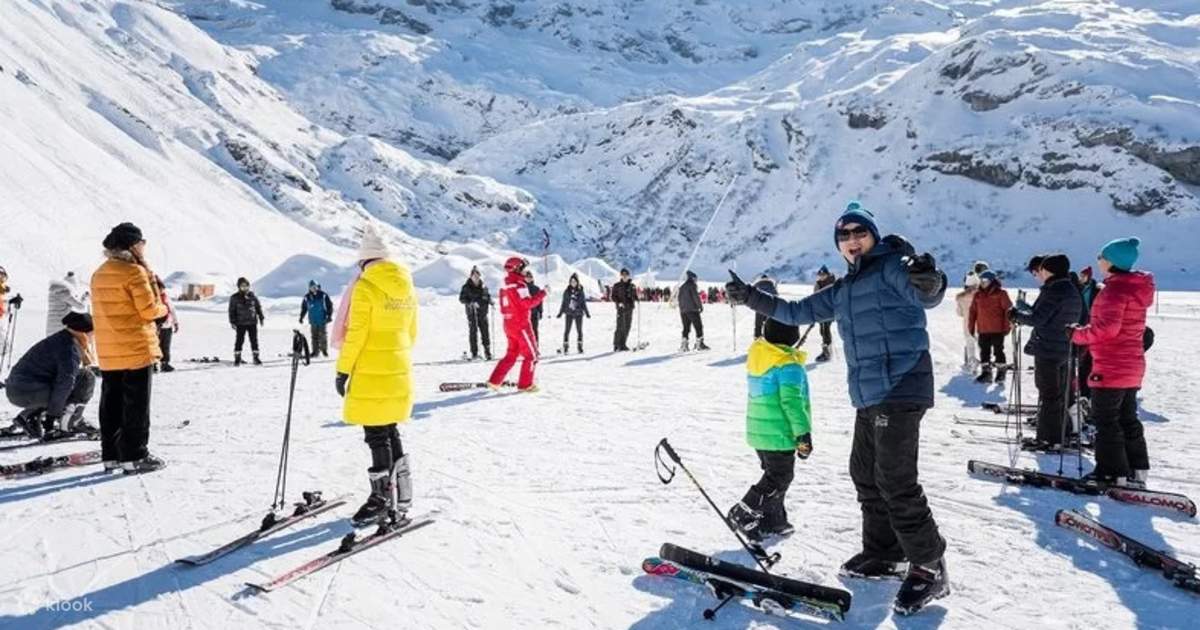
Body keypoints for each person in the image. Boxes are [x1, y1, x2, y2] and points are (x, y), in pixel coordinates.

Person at [726, 201, 949, 615]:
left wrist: (929, 278)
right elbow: (796, 311)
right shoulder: (846, 289)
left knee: (896, 480)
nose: (851, 241)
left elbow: (927, 292)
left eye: (859, 233)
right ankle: (885, 552)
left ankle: (929, 564)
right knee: (865, 474)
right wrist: (751, 297)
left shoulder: (893, 267)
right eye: (844, 236)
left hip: (901, 386)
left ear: (873, 236)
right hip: (869, 393)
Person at [333, 225, 419, 526]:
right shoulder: (406, 284)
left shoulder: (365, 287)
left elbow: (356, 334)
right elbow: (412, 331)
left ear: (365, 261)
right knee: (390, 429)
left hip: (371, 369)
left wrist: (343, 370)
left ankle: (381, 500)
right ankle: (403, 495)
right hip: (398, 368)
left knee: (375, 433)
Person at [1069, 238, 1153, 486]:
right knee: (1127, 417)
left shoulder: (1113, 292)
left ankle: (1111, 471)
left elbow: (1106, 330)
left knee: (1106, 420)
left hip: (1111, 365)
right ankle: (1137, 469)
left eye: (1101, 257)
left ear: (1111, 262)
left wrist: (1076, 334)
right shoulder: (1135, 290)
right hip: (1131, 365)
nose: (1098, 261)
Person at [726, 317, 813, 542]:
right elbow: (792, 404)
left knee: (774, 474)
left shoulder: (761, 356)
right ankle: (743, 512)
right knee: (780, 477)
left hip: (760, 432)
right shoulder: (788, 365)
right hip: (779, 433)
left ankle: (773, 519)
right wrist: (802, 434)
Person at [91, 222, 168, 473]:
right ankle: (134, 455)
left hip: (109, 348)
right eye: (141, 243)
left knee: (110, 402)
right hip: (135, 346)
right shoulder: (134, 273)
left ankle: (110, 455)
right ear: (132, 246)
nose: (144, 248)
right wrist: (164, 309)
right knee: (136, 404)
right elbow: (148, 310)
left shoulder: (99, 273)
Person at [1010, 253, 1082, 451]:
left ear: (1048, 270)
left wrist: (1016, 315)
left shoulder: (1054, 290)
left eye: (1041, 269)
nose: (1039, 273)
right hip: (1065, 348)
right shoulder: (1070, 289)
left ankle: (1048, 439)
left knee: (1049, 395)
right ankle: (1063, 433)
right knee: (1059, 394)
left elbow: (1038, 319)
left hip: (1049, 349)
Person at [5, 312, 97, 438]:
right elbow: (65, 383)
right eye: (93, 333)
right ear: (83, 333)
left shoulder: (62, 338)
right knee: (86, 378)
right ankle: (71, 422)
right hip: (26, 392)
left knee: (78, 378)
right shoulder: (69, 349)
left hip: (18, 389)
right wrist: (51, 417)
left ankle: (28, 416)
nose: (94, 337)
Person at [488, 257, 546, 392]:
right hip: (521, 324)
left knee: (512, 354)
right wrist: (543, 293)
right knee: (532, 355)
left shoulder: (505, 285)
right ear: (517, 268)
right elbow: (528, 304)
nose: (525, 271)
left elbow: (503, 307)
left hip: (508, 324)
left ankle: (494, 381)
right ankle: (526, 384)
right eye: (523, 268)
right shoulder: (520, 285)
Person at [969, 271, 1013, 383]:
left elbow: (1008, 310)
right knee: (984, 351)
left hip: (997, 329)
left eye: (985, 281)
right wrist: (971, 327)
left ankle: (1001, 373)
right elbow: (973, 312)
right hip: (983, 329)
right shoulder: (978, 295)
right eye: (981, 281)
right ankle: (986, 373)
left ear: (992, 281)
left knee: (998, 351)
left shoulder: (1001, 294)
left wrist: (1007, 327)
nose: (983, 283)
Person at [1075, 266, 1103, 402]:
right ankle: (1082, 390)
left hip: (1093, 327)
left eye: (1084, 276)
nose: (1082, 278)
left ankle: (1088, 392)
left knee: (1089, 361)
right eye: (1081, 276)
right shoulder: (1078, 289)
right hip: (1081, 327)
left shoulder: (1097, 290)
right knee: (1082, 361)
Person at [229, 277, 265, 366]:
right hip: (240, 323)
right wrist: (232, 321)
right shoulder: (234, 298)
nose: (244, 288)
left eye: (246, 286)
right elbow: (231, 310)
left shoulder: (252, 296)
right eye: (242, 286)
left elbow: (258, 307)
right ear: (239, 287)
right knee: (239, 340)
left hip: (252, 323)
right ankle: (237, 357)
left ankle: (256, 357)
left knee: (254, 340)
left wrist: (261, 317)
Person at [458, 267, 493, 360]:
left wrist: (490, 301)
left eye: (477, 275)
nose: (476, 277)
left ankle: (487, 352)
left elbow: (487, 296)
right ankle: (474, 353)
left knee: (485, 332)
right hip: (472, 313)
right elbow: (462, 299)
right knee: (473, 333)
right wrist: (470, 303)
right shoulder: (466, 287)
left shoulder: (484, 286)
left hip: (483, 313)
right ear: (471, 276)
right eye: (474, 275)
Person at [45, 272, 90, 336]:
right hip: (58, 328)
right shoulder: (63, 293)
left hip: (52, 326)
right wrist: (86, 299)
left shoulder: (55, 291)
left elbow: (69, 304)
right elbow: (80, 307)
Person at [299, 280, 334, 358]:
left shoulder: (323, 295)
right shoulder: (307, 297)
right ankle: (315, 352)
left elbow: (329, 306)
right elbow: (304, 308)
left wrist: (329, 316)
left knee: (323, 336)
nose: (313, 289)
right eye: (312, 287)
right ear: (309, 288)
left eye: (315, 287)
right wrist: (301, 317)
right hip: (313, 320)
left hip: (322, 319)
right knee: (314, 336)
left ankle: (324, 351)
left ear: (317, 287)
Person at [556, 273, 590, 354]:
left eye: (574, 281)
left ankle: (580, 347)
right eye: (571, 281)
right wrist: (560, 313)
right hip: (569, 313)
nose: (573, 283)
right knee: (567, 330)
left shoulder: (581, 291)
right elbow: (564, 303)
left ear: (577, 282)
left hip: (578, 313)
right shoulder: (566, 291)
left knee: (579, 330)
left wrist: (587, 312)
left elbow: (583, 303)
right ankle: (566, 347)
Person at [677, 271, 709, 351]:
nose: (696, 280)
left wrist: (682, 308)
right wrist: (700, 306)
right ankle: (699, 344)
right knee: (698, 326)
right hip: (692, 310)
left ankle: (684, 345)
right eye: (695, 278)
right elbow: (696, 297)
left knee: (686, 327)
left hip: (683, 311)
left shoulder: (682, 287)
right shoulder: (692, 286)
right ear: (692, 278)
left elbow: (679, 298)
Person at [954, 273, 980, 370]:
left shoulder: (961, 298)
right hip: (981, 324)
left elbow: (959, 313)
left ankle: (972, 365)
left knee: (970, 346)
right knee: (982, 346)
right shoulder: (982, 296)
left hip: (968, 325)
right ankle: (986, 366)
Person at [154, 276, 179, 372]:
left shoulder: (167, 298)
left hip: (168, 326)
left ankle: (165, 363)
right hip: (158, 327)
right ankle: (155, 364)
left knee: (166, 346)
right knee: (157, 346)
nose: (161, 290)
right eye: (159, 289)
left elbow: (172, 310)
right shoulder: (154, 299)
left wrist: (176, 323)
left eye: (162, 288)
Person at [813, 266, 837, 362]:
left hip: (829, 310)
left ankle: (827, 352)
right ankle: (826, 350)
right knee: (822, 331)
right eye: (820, 275)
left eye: (823, 275)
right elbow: (814, 296)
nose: (821, 277)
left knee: (825, 330)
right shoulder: (818, 284)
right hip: (821, 310)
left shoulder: (833, 283)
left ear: (827, 274)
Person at [611, 268, 638, 351]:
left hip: (629, 308)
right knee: (620, 326)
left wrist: (637, 299)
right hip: (621, 308)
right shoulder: (617, 285)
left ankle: (623, 344)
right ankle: (616, 344)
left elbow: (634, 295)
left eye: (626, 275)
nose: (624, 276)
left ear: (628, 276)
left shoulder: (632, 286)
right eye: (623, 275)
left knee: (627, 326)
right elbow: (613, 296)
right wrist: (618, 302)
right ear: (621, 276)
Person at [751, 275, 778, 339]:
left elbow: (752, 294)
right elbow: (776, 295)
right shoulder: (771, 285)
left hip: (759, 306)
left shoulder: (757, 284)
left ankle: (757, 336)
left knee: (758, 323)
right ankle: (769, 337)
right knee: (769, 323)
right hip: (770, 306)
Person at [524, 269, 543, 348]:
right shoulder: (522, 288)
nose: (528, 278)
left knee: (534, 331)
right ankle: (526, 348)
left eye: (530, 277)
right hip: (524, 314)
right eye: (527, 277)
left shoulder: (536, 289)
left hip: (534, 313)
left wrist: (540, 311)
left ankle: (535, 346)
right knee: (524, 332)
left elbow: (540, 301)